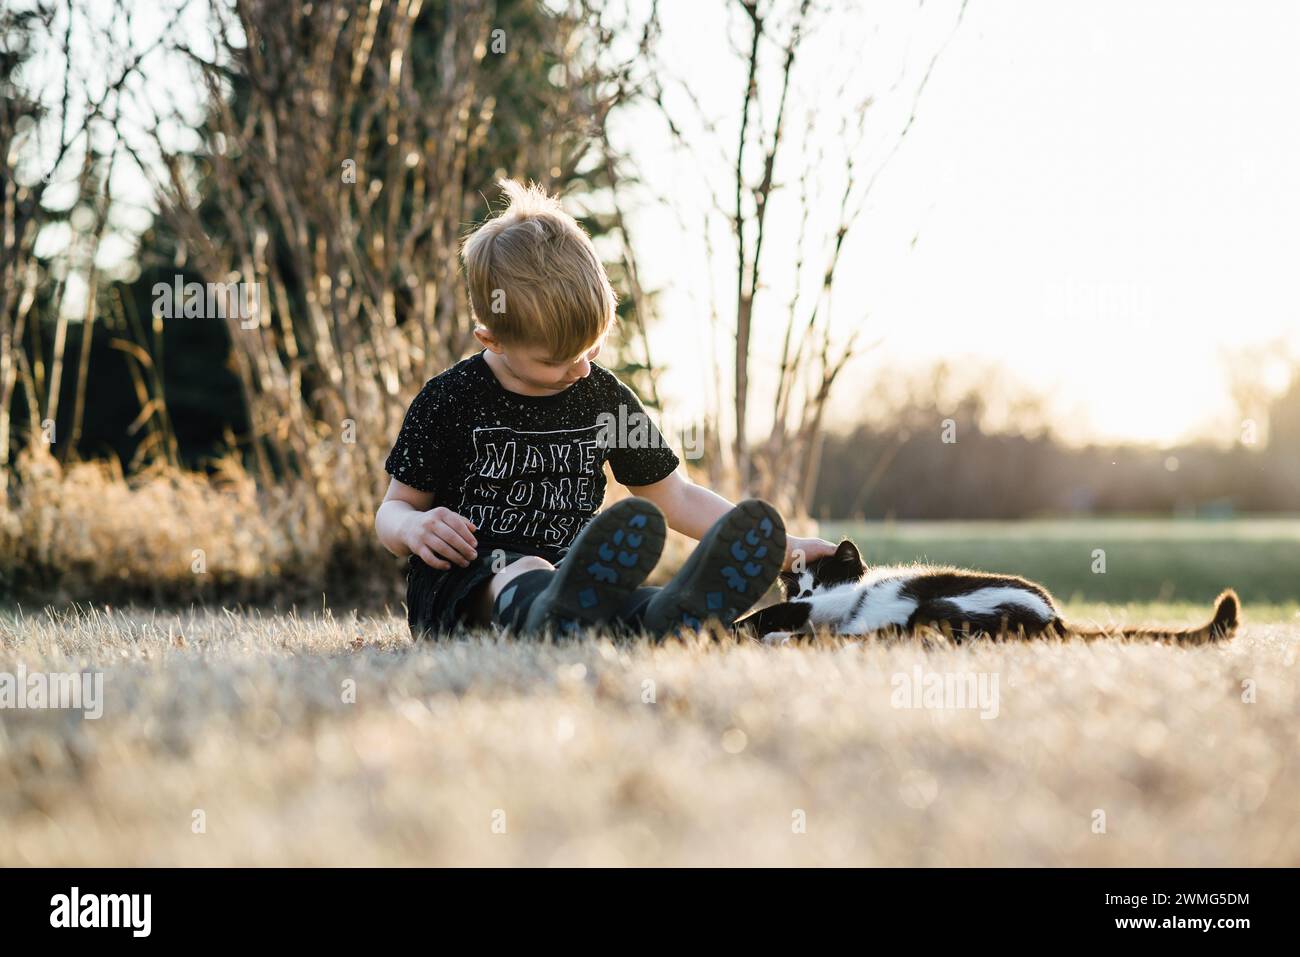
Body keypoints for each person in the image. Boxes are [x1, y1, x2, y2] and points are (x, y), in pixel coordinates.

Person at [374, 178, 836, 640]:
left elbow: (675, 497)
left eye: (590, 349)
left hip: (578, 578)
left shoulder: (603, 399)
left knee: (624, 601)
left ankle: (671, 617)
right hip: (462, 586)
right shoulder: (451, 399)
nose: (579, 370)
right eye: (556, 361)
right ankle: (557, 615)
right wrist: (414, 526)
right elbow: (391, 512)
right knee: (529, 570)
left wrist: (785, 548)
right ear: (490, 338)